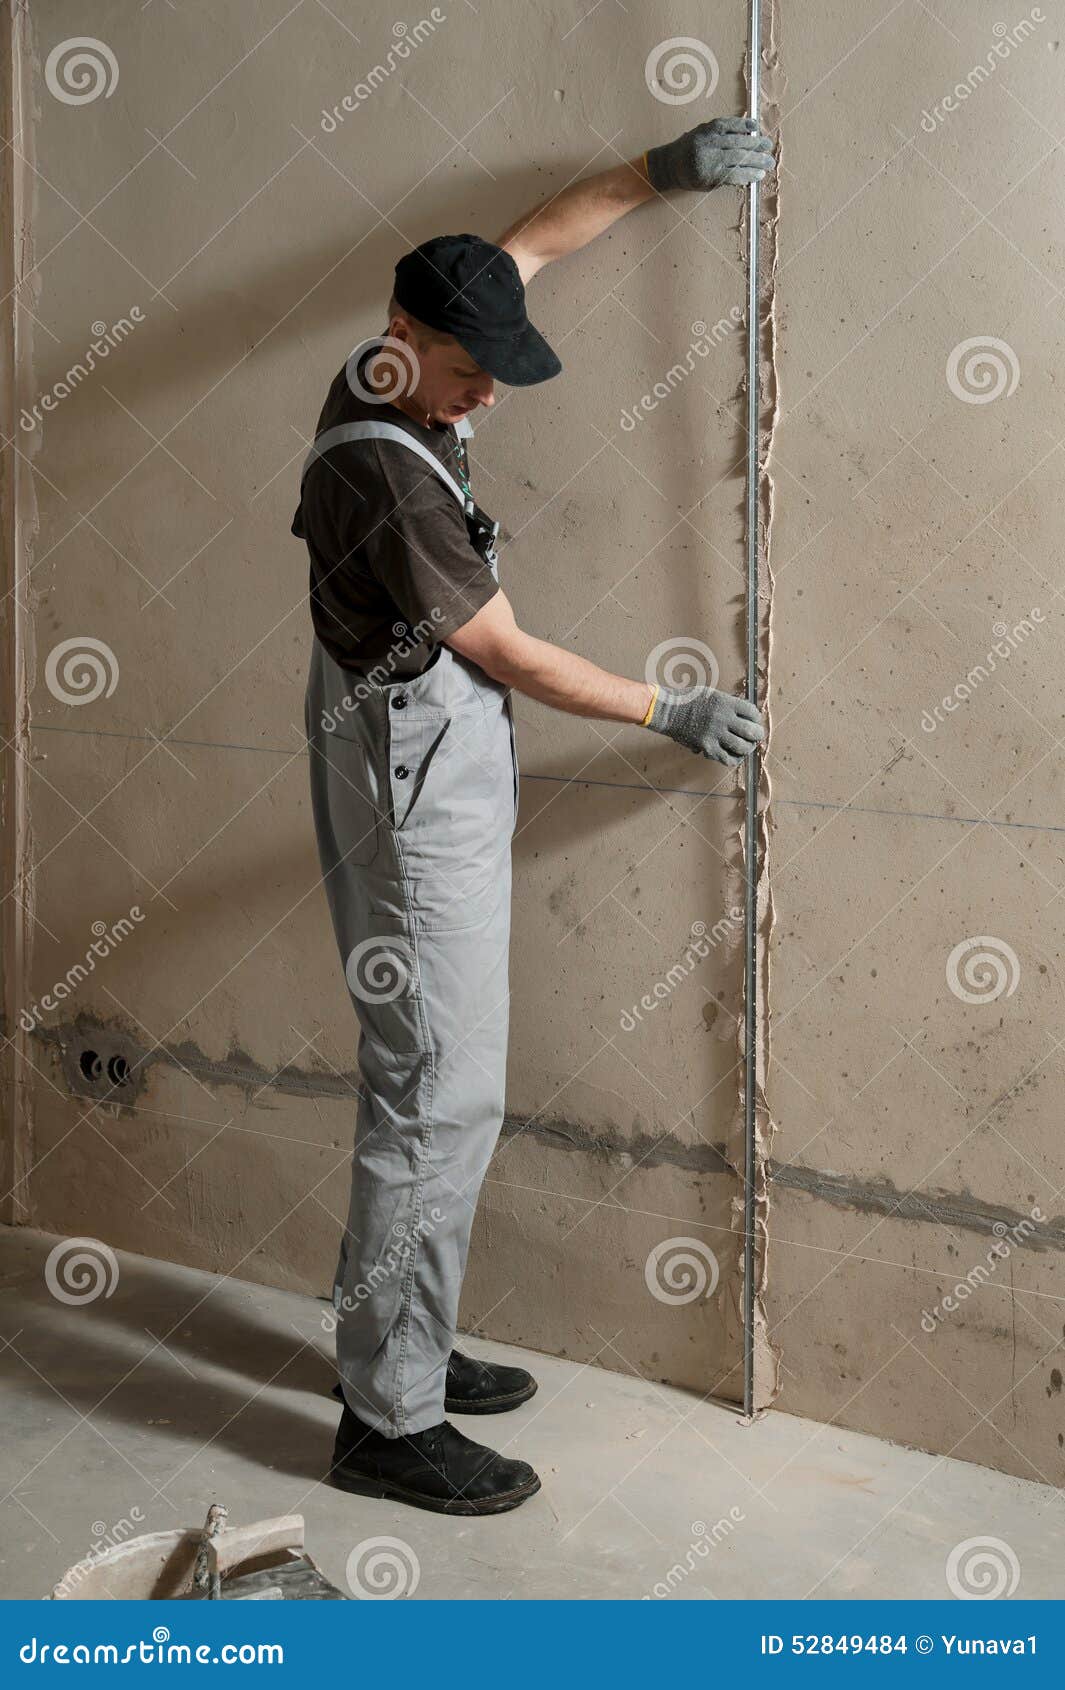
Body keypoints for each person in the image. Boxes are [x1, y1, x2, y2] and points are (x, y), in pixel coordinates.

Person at [291, 118, 773, 1516]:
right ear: (403, 336)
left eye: (492, 370)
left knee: (424, 1079)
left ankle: (389, 1337)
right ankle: (388, 1414)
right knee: (440, 1092)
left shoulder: (401, 347)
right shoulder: (386, 463)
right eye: (466, 374)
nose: (483, 397)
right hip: (409, 757)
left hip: (400, 729)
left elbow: (526, 246)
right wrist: (660, 710)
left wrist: (654, 173)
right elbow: (505, 653)